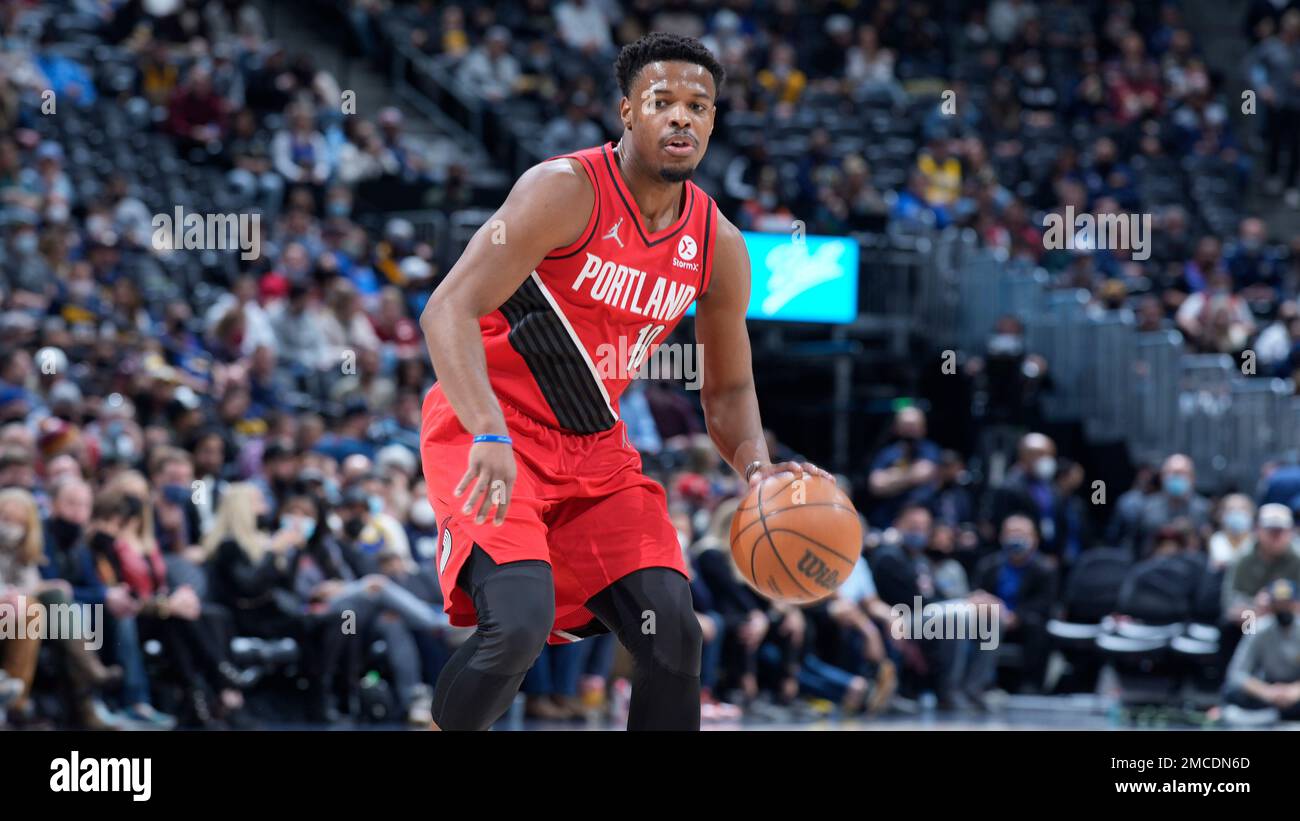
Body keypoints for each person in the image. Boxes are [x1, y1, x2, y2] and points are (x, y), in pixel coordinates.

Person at [418, 33, 832, 731]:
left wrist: (757, 470)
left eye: (699, 106)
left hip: (596, 452)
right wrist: (486, 424)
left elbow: (727, 391)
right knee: (518, 622)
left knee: (674, 632)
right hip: (491, 429)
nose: (682, 118)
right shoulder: (563, 190)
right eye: (662, 101)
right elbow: (446, 309)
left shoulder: (720, 244)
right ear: (627, 112)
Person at [1221, 579, 1300, 724]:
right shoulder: (1258, 629)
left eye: (1287, 603)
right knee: (1231, 693)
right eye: (1278, 604)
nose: (1283, 608)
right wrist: (1266, 692)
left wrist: (1294, 691)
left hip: (1296, 689)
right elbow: (1236, 673)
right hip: (1268, 688)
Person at [1223, 503, 1300, 626]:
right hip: (1252, 620)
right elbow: (1229, 606)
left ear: (1291, 532)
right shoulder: (1243, 558)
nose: (1276, 537)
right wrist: (1256, 607)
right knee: (1233, 628)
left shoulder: (1298, 558)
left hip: (1292, 624)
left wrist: (1288, 606)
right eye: (1271, 531)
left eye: (1281, 531)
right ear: (1257, 530)